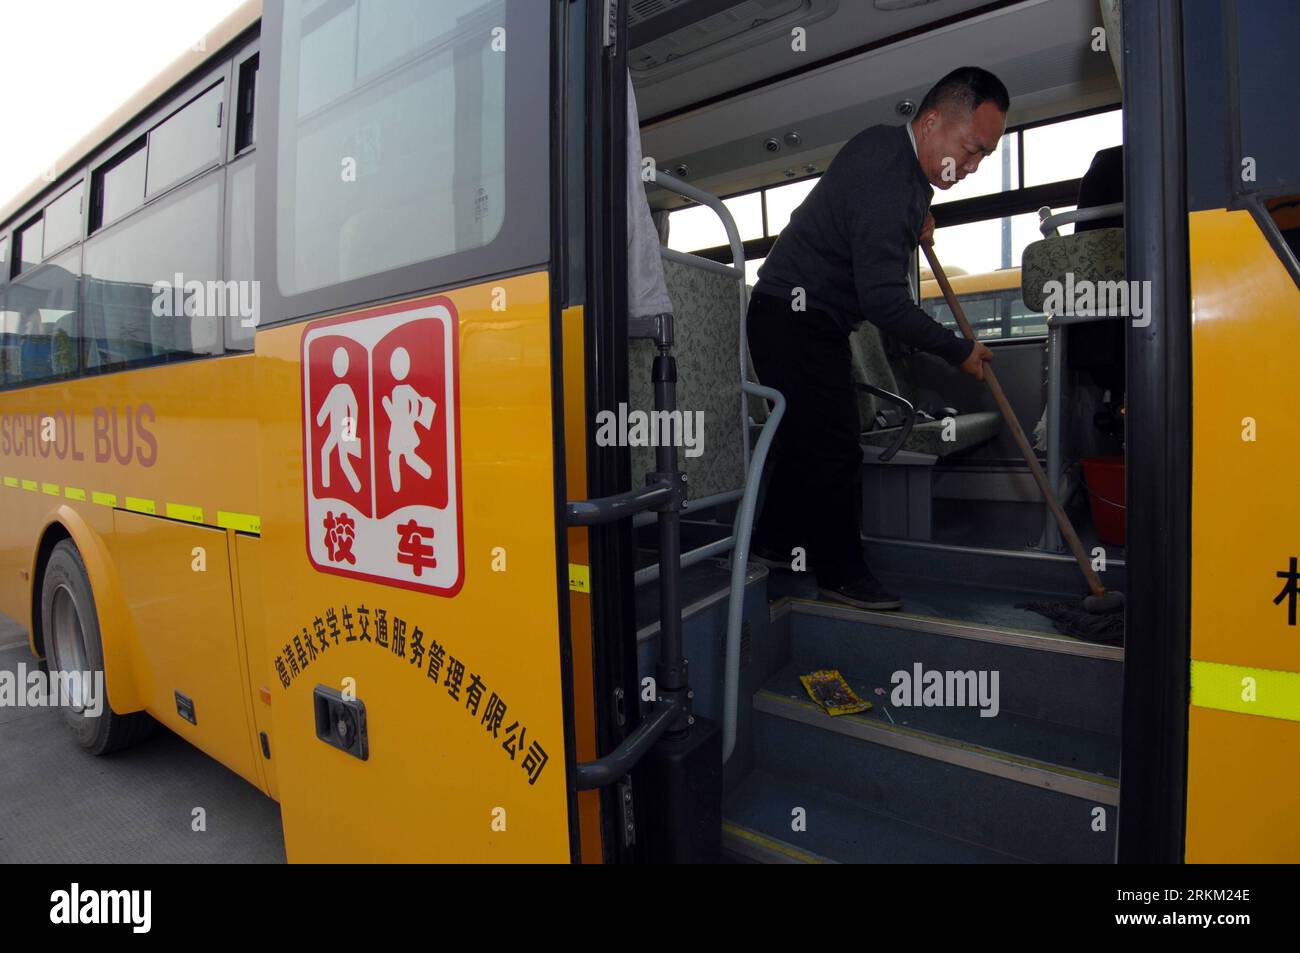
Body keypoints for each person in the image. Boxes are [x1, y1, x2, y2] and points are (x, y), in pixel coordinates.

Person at [748, 66, 1007, 610]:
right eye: (970, 148)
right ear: (932, 120)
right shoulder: (891, 176)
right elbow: (884, 303)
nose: (972, 166)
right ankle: (842, 575)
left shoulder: (896, 161)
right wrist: (958, 349)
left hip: (801, 316)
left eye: (983, 156)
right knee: (835, 445)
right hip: (791, 316)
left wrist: (923, 214)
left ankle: (771, 544)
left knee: (805, 439)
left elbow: (882, 216)